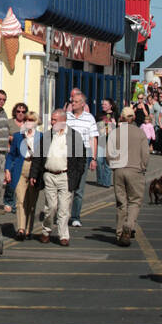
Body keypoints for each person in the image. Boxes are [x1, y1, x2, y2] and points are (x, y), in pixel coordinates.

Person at [30, 109, 87, 247]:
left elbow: (81, 159)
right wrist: (33, 174)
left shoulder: (74, 136)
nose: (52, 122)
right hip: (49, 175)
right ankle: (46, 231)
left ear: (63, 121)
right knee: (51, 207)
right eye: (52, 119)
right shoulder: (48, 135)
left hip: (66, 176)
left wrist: (77, 175)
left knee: (64, 208)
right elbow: (38, 156)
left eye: (55, 120)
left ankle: (63, 235)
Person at [107, 106, 149, 247]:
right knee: (135, 201)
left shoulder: (115, 133)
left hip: (119, 170)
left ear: (122, 118)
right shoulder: (140, 133)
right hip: (135, 170)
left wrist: (113, 165)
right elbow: (145, 154)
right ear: (134, 118)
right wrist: (143, 167)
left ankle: (119, 233)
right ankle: (128, 225)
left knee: (121, 203)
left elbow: (109, 153)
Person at [66, 89, 99, 227]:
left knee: (79, 188)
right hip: (68, 153)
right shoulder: (66, 116)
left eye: (75, 102)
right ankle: (63, 214)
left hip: (83, 154)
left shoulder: (89, 118)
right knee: (65, 187)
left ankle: (75, 217)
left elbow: (93, 139)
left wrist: (93, 158)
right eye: (72, 101)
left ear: (82, 104)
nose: (72, 103)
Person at [8, 111, 43, 239]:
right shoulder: (18, 136)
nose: (28, 122)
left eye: (31, 120)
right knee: (20, 201)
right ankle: (21, 229)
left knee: (31, 202)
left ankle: (29, 229)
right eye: (27, 119)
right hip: (20, 168)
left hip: (35, 169)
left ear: (36, 122)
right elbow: (11, 155)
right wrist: (7, 170)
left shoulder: (42, 137)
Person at [3, 103, 28, 210]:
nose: (20, 114)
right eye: (18, 111)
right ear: (15, 112)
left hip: (23, 155)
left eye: (23, 112)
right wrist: (13, 138)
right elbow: (4, 135)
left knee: (20, 180)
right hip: (11, 152)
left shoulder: (27, 124)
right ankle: (9, 201)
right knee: (10, 180)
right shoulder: (9, 122)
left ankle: (18, 203)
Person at [96, 100, 118, 189]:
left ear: (110, 105)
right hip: (101, 139)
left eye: (105, 104)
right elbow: (95, 125)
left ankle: (107, 182)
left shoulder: (115, 114)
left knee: (108, 162)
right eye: (102, 104)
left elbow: (121, 126)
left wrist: (115, 124)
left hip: (111, 140)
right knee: (99, 160)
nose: (103, 105)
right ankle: (100, 180)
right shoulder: (99, 114)